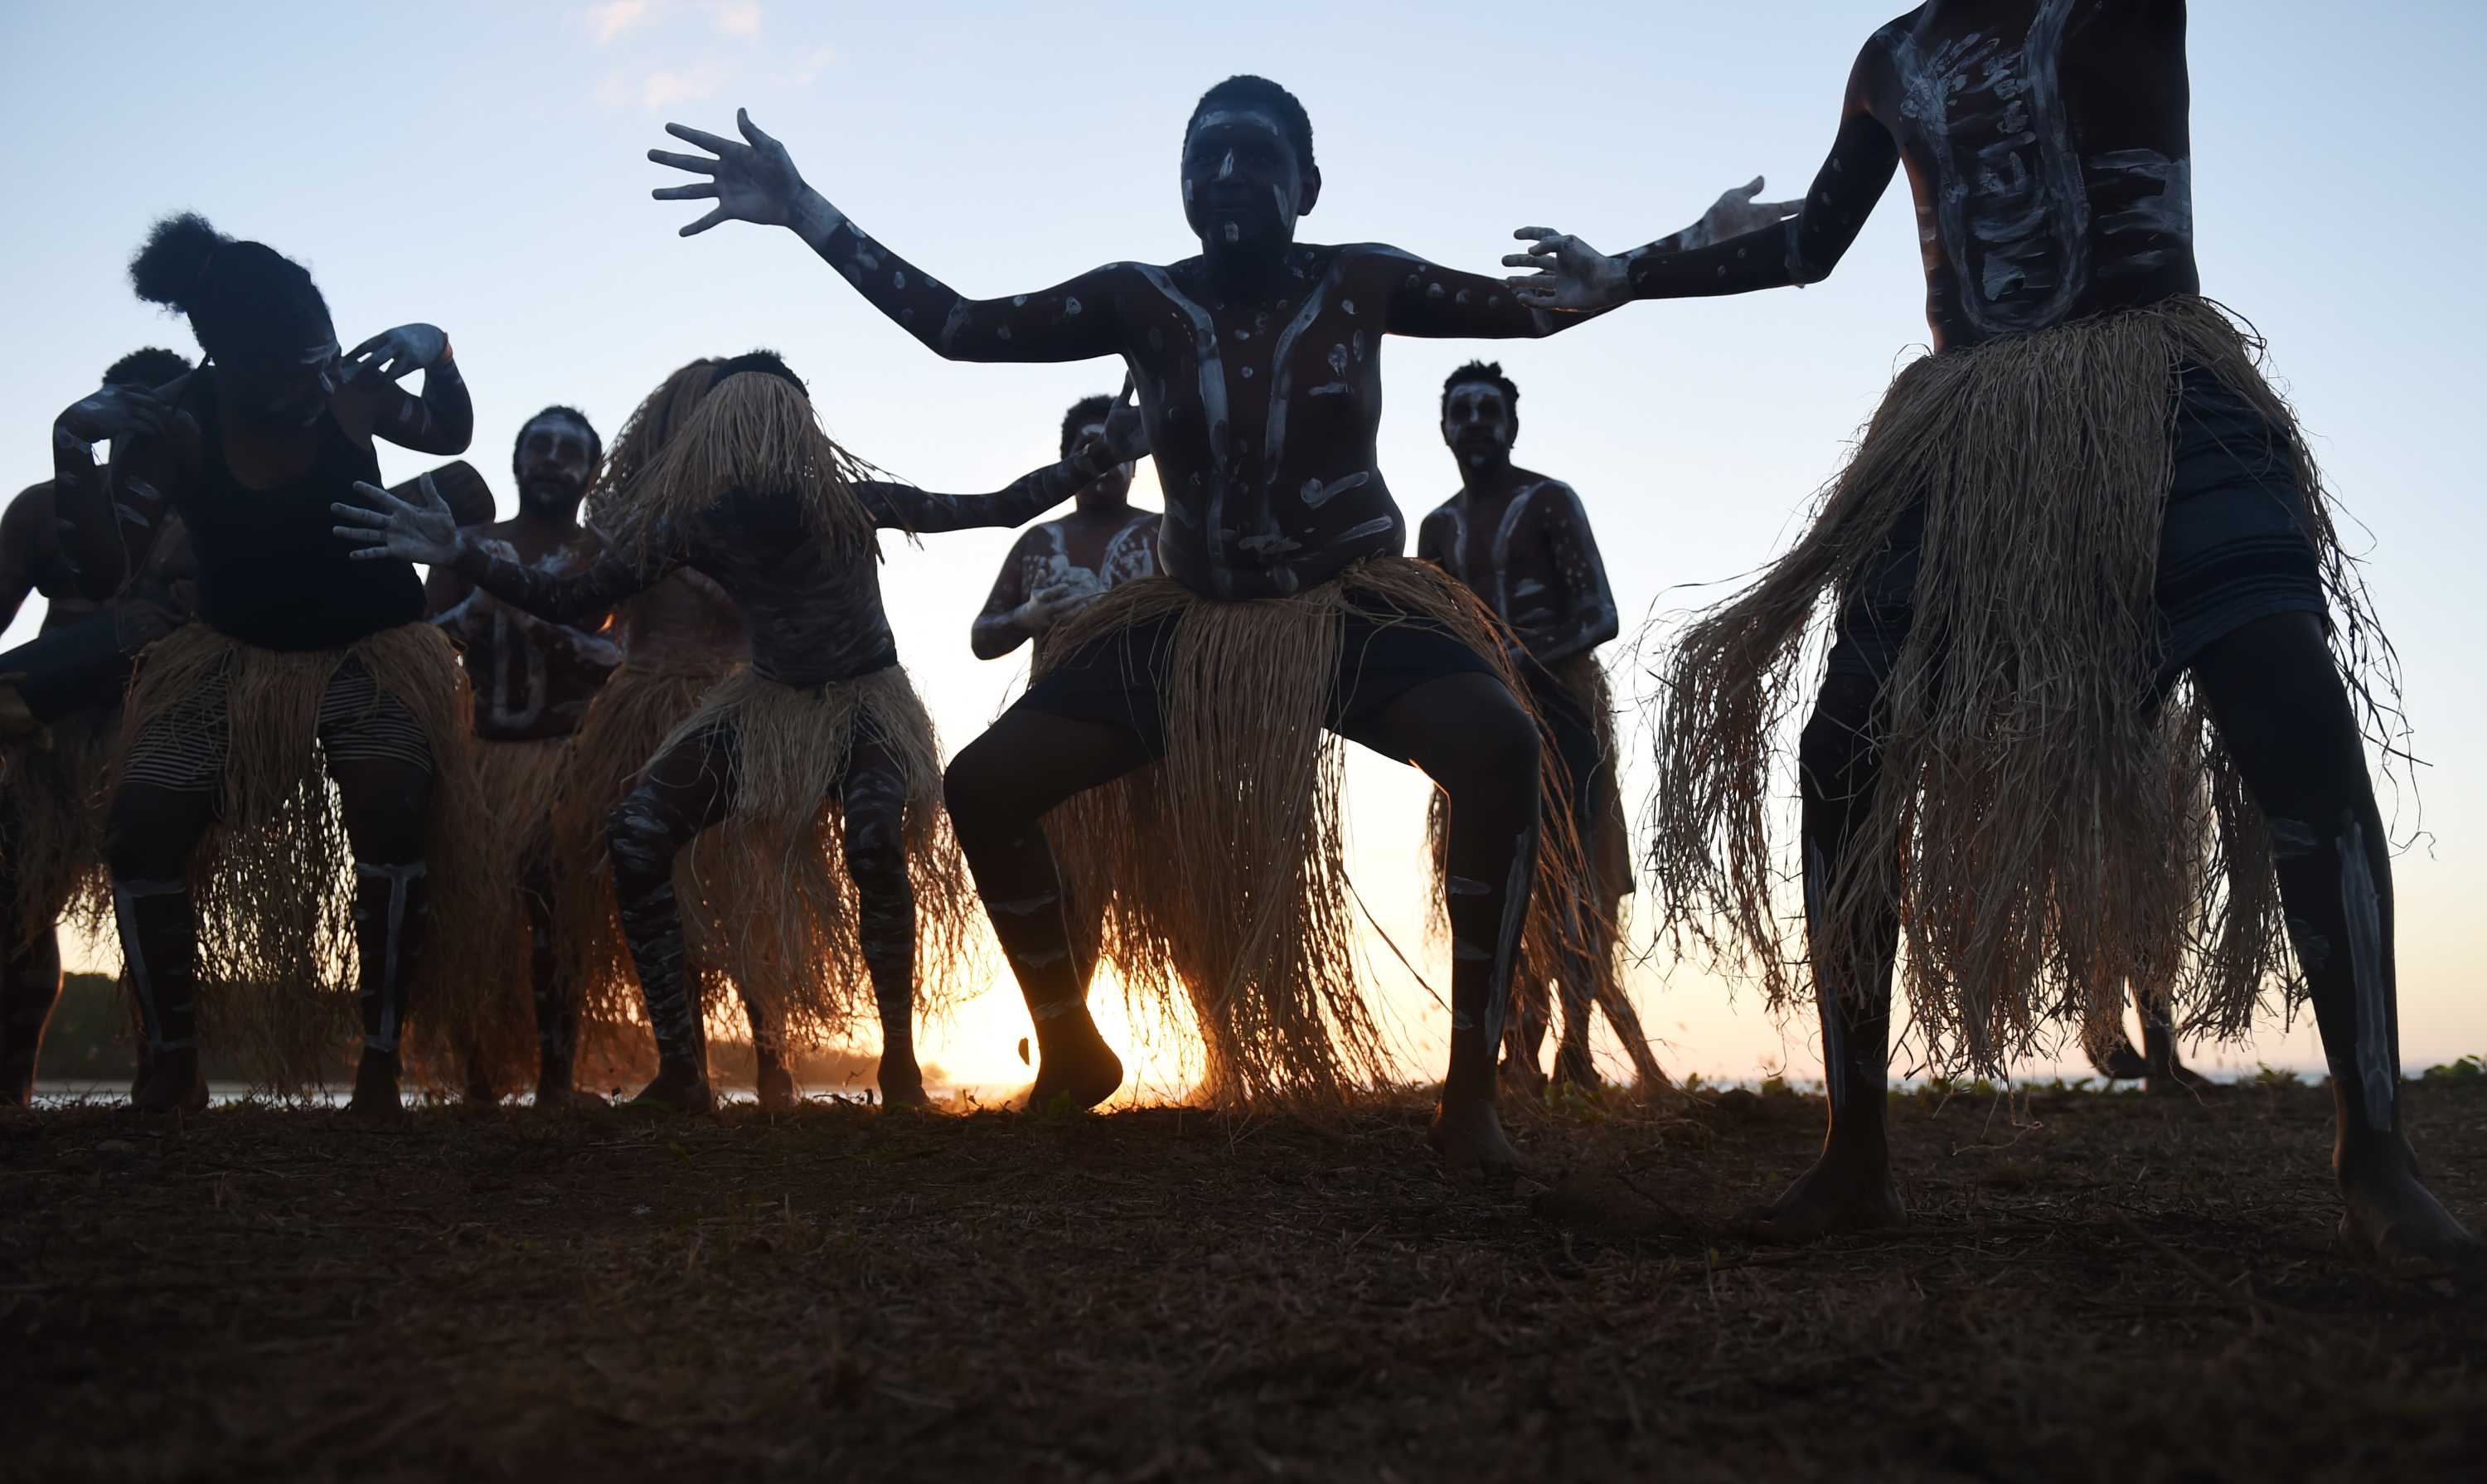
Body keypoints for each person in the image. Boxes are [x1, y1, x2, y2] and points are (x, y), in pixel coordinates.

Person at [1504, 1, 2475, 1260]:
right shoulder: (1890, 60)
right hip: (1966, 436)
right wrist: (1625, 273)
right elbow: (1809, 239)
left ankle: (2377, 1154)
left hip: (2160, 395)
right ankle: (1857, 1153)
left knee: (2291, 711)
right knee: (1844, 745)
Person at [642, 80, 1647, 1170]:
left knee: (1499, 742)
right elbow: (960, 328)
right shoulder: (1140, 300)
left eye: (1254, 157)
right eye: (1201, 158)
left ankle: (1471, 1103)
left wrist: (1656, 261)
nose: (1224, 176)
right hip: (1190, 622)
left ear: (1307, 185)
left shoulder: (1361, 279)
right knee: (987, 786)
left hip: (1351, 609)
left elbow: (1534, 307)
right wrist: (806, 211)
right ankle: (1072, 1048)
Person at [334, 351, 1151, 1113]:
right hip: (761, 704)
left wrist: (1089, 461)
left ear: (793, 428)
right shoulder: (699, 526)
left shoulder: (853, 504)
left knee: (872, 840)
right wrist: (459, 553)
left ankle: (900, 1060)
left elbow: (996, 507)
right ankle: (684, 1071)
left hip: (863, 703)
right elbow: (568, 595)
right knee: (635, 833)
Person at [56, 211, 490, 1115]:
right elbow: (106, 569)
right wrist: (72, 447)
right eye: (289, 372)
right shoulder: (175, 423)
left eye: (317, 361)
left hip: (370, 646)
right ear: (229, 365)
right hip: (231, 654)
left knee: (392, 807)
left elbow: (449, 435)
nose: (311, 385)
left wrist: (438, 350)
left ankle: (380, 1062)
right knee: (139, 826)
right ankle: (171, 1060)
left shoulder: (345, 386)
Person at [1416, 361, 1665, 1094]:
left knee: (1578, 880)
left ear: (1513, 425)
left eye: (1488, 412)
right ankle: (1514, 1051)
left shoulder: (1549, 501)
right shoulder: (1437, 527)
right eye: (1460, 413)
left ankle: (1576, 1051)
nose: (1475, 425)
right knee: (1494, 877)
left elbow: (1600, 614)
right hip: (1480, 718)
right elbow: (1432, 626)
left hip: (1564, 706)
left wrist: (1521, 660)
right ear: (1443, 431)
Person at [0, 347, 190, 1103]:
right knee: (17, 908)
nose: (143, 426)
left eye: (162, 411)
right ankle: (12, 1095)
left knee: (160, 903)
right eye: (128, 409)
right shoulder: (45, 508)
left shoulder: (206, 520)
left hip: (156, 733)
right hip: (44, 736)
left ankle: (167, 1076)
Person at [424, 406, 622, 1104]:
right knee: (474, 923)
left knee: (556, 914)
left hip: (566, 766)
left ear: (591, 472)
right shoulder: (465, 542)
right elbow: (424, 642)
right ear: (516, 462)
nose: (551, 459)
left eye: (570, 451)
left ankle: (556, 1082)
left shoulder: (603, 556)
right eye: (538, 446)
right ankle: (477, 1078)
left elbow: (622, 657)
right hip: (479, 761)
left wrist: (538, 616)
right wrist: (482, 600)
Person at [971, 394, 1160, 662]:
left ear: (1134, 466)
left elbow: (1198, 619)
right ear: (1066, 468)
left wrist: (1116, 611)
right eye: (1088, 448)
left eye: (1115, 450)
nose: (1102, 461)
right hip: (1048, 700)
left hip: (1143, 699)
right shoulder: (1038, 541)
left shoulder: (1163, 534)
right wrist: (1028, 617)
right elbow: (980, 639)